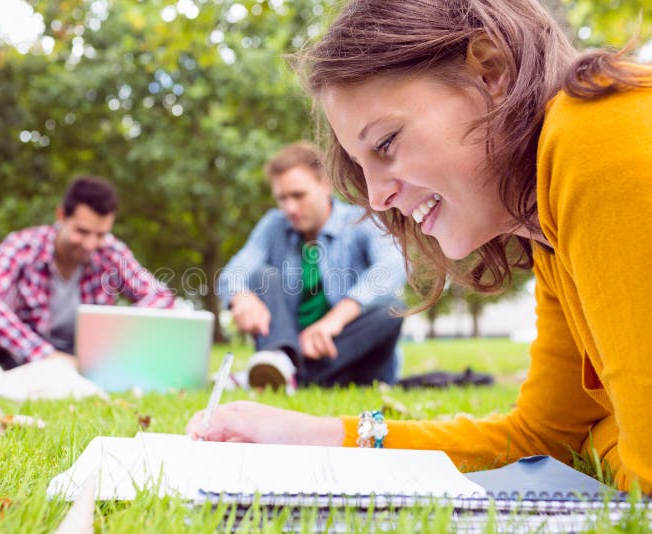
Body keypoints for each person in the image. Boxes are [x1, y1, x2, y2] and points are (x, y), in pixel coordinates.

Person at [188, 0, 652, 493]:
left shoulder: (601, 139)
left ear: (489, 71)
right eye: (361, 166)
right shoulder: (549, 236)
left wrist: (605, 438)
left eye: (386, 143)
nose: (375, 197)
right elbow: (543, 436)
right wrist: (314, 434)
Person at [218, 141, 406, 390]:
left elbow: (394, 266)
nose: (290, 208)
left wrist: (336, 319)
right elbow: (236, 269)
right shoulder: (274, 226)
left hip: (346, 351)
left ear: (325, 185)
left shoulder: (360, 220)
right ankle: (282, 360)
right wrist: (240, 297)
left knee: (391, 309)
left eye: (298, 195)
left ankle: (290, 374)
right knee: (262, 276)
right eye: (282, 198)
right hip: (291, 345)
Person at [0, 176, 174, 370]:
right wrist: (45, 355)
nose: (90, 244)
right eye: (82, 231)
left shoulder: (111, 252)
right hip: (29, 348)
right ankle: (39, 372)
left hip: (84, 354)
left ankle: (70, 373)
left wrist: (120, 332)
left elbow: (160, 296)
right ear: (61, 216)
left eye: (100, 234)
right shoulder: (23, 245)